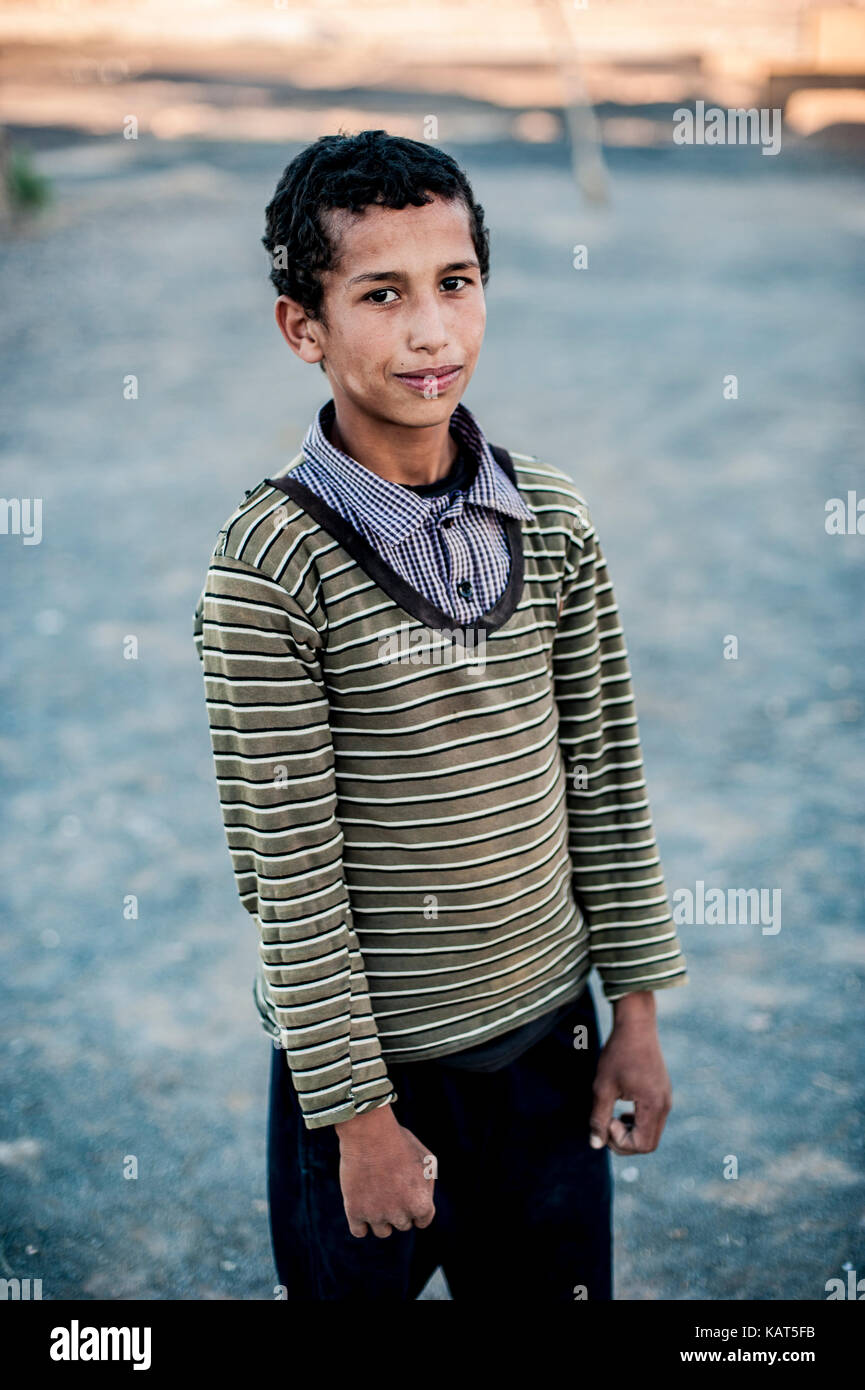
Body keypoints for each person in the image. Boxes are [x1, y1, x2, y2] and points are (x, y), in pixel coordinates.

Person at [193, 129, 689, 1301]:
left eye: (455, 283)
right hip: (366, 1083)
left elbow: (605, 777)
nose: (430, 332)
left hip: (547, 1053)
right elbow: (290, 871)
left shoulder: (552, 518)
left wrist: (634, 1010)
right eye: (381, 293)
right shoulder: (269, 567)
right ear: (301, 327)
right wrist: (359, 1117)